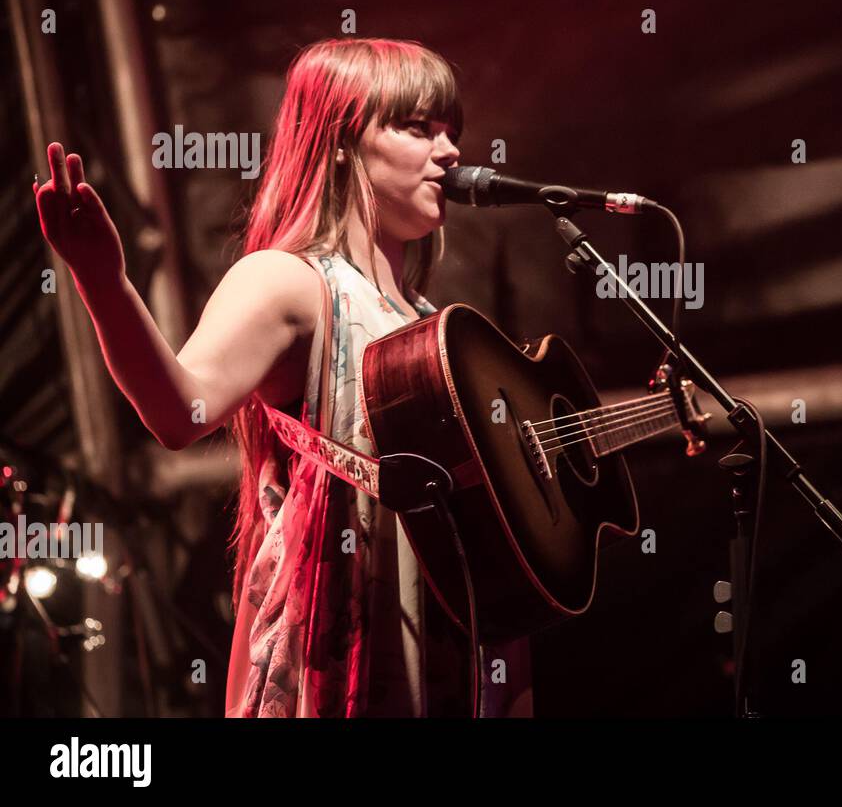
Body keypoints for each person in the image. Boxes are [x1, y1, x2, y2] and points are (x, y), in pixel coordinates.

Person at [33, 37, 533, 717]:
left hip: (446, 655)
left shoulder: (426, 320)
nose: (449, 152)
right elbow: (180, 414)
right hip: (341, 642)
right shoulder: (288, 282)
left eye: (452, 132)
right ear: (339, 142)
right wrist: (102, 279)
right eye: (418, 128)